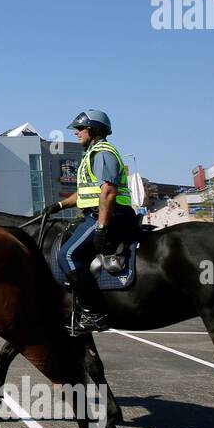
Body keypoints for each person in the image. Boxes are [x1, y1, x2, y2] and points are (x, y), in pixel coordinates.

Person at [36, 110, 140, 334]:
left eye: (80, 128)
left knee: (68, 255)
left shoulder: (102, 153)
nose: (76, 132)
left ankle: (94, 313)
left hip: (111, 214)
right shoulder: (91, 154)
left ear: (93, 130)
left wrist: (102, 227)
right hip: (98, 212)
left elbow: (109, 192)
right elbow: (85, 194)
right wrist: (59, 206)